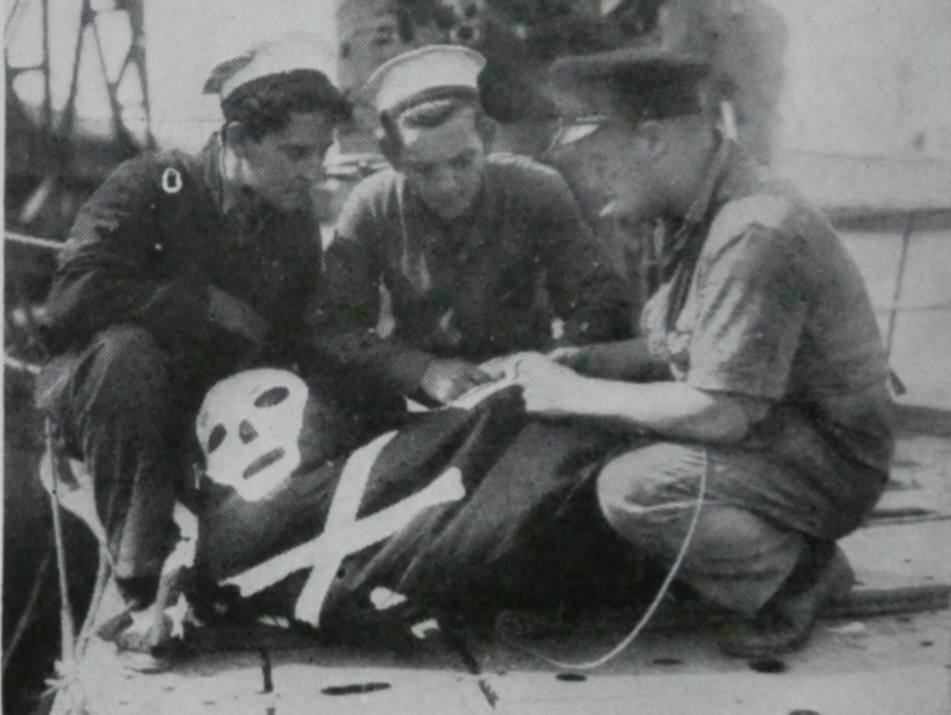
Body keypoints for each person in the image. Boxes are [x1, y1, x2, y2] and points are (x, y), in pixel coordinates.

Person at [497, 48, 894, 657]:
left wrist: (578, 394)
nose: (592, 183)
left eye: (599, 162)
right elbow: (674, 346)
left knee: (634, 487)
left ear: (651, 140)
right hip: (778, 433)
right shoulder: (695, 211)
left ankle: (796, 575)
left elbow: (721, 411)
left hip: (826, 461)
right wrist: (577, 365)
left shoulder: (754, 230)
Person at [34, 34, 351, 625]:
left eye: (322, 153)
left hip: (199, 413)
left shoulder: (293, 221)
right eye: (296, 153)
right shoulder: (150, 184)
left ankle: (236, 560)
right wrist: (201, 304)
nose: (315, 172)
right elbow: (69, 303)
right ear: (236, 140)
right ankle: (137, 578)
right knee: (127, 351)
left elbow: (293, 337)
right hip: (98, 400)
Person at [311, 45, 634, 407]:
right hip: (423, 403)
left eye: (463, 161)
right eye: (425, 169)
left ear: (488, 136)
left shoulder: (537, 188)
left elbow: (601, 300)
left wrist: (553, 360)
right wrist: (421, 371)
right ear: (392, 155)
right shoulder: (371, 205)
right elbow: (335, 327)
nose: (447, 184)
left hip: (529, 388)